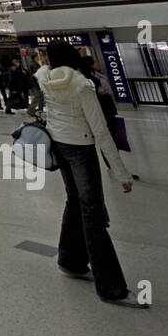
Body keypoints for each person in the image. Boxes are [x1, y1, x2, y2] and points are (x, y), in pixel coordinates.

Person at [35, 41, 141, 308]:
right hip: (80, 148)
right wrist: (121, 173)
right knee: (93, 214)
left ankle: (70, 260)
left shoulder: (45, 79)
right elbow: (100, 130)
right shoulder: (81, 86)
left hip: (58, 145)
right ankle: (111, 288)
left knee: (74, 201)